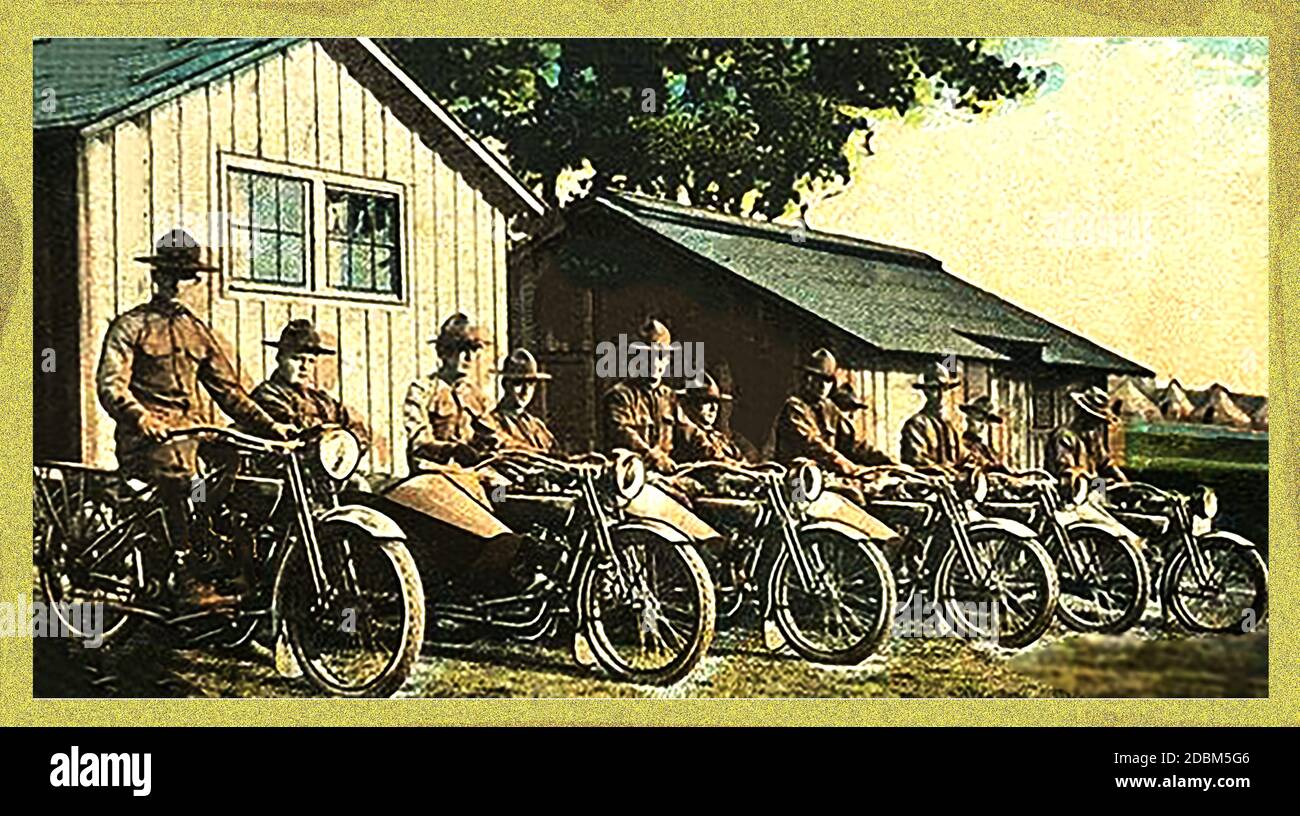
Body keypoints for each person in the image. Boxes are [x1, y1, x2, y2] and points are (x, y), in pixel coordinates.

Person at [95, 228, 292, 607]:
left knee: (232, 472)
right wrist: (141, 418)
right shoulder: (131, 326)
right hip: (148, 443)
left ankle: (225, 561)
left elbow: (230, 392)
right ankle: (183, 577)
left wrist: (272, 428)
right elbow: (111, 385)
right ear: (156, 277)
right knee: (181, 480)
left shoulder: (198, 333)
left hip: (193, 439)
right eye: (169, 276)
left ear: (194, 283)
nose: (176, 286)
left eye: (185, 278)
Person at [251, 318, 371, 489]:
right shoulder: (267, 394)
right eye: (296, 358)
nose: (304, 367)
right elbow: (293, 429)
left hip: (328, 471)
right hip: (288, 475)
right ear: (280, 358)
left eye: (311, 361)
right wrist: (335, 434)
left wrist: (349, 448)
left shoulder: (322, 400)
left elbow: (357, 429)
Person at [772, 348, 892, 476]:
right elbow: (813, 445)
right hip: (796, 478)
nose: (823, 385)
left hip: (825, 475)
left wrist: (889, 462)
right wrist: (850, 468)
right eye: (818, 379)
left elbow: (854, 443)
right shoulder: (794, 408)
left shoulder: (830, 409)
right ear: (807, 379)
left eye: (828, 380)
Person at [402, 313, 499, 470]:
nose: (469, 357)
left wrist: (486, 449)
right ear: (444, 353)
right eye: (462, 350)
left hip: (470, 471)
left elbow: (490, 435)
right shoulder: (423, 390)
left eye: (473, 350)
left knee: (501, 481)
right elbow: (419, 442)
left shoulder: (476, 396)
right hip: (433, 468)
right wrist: (451, 450)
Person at [601, 317, 684, 473]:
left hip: (664, 473)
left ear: (668, 361)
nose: (654, 364)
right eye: (648, 357)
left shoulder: (669, 397)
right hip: (629, 475)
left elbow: (690, 433)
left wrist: (720, 456)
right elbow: (622, 433)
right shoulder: (620, 396)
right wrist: (652, 457)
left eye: (661, 357)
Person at [1048, 386, 1128, 483]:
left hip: (1095, 486)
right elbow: (1068, 472)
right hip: (1072, 488)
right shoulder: (1064, 436)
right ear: (1081, 415)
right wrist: (1100, 481)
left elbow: (1105, 463)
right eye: (1092, 419)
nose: (1096, 424)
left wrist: (1121, 479)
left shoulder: (1093, 437)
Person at [488, 348, 559, 454]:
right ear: (505, 384)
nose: (526, 391)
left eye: (530, 384)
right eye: (518, 383)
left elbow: (557, 455)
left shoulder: (538, 426)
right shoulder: (492, 423)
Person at [674, 372, 749, 464]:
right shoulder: (688, 433)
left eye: (716, 402)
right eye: (707, 402)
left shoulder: (719, 437)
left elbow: (742, 460)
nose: (713, 408)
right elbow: (713, 458)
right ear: (689, 404)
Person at [899, 361, 962, 470]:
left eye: (945, 389)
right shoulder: (916, 424)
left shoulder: (950, 426)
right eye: (934, 390)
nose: (941, 395)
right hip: (927, 478)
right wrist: (944, 470)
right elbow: (917, 459)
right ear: (926, 392)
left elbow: (961, 457)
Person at [957, 395, 1010, 473]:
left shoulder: (983, 447)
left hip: (974, 440)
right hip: (970, 439)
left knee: (988, 455)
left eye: (983, 419)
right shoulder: (964, 445)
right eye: (978, 416)